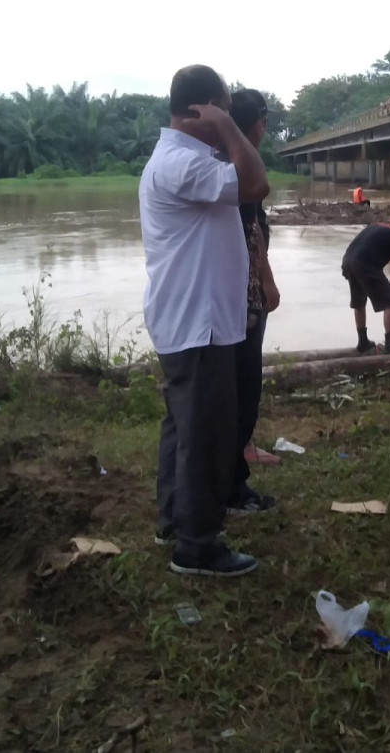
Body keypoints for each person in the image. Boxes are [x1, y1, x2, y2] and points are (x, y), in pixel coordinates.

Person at [140, 64, 269, 578]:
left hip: (193, 317)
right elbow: (255, 182)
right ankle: (196, 546)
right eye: (223, 106)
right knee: (206, 434)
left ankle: (176, 522)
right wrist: (228, 125)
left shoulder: (183, 160)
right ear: (205, 109)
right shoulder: (182, 164)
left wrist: (222, 125)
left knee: (185, 427)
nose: (229, 116)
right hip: (198, 322)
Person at [226, 89, 281, 513]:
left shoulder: (224, 162)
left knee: (238, 388)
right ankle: (233, 487)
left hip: (231, 296)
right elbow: (252, 234)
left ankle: (234, 469)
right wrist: (267, 282)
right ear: (258, 123)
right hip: (244, 299)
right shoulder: (244, 168)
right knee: (244, 389)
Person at [342, 214, 390, 353]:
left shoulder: (375, 226)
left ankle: (363, 342)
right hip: (365, 263)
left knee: (359, 301)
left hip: (348, 261)